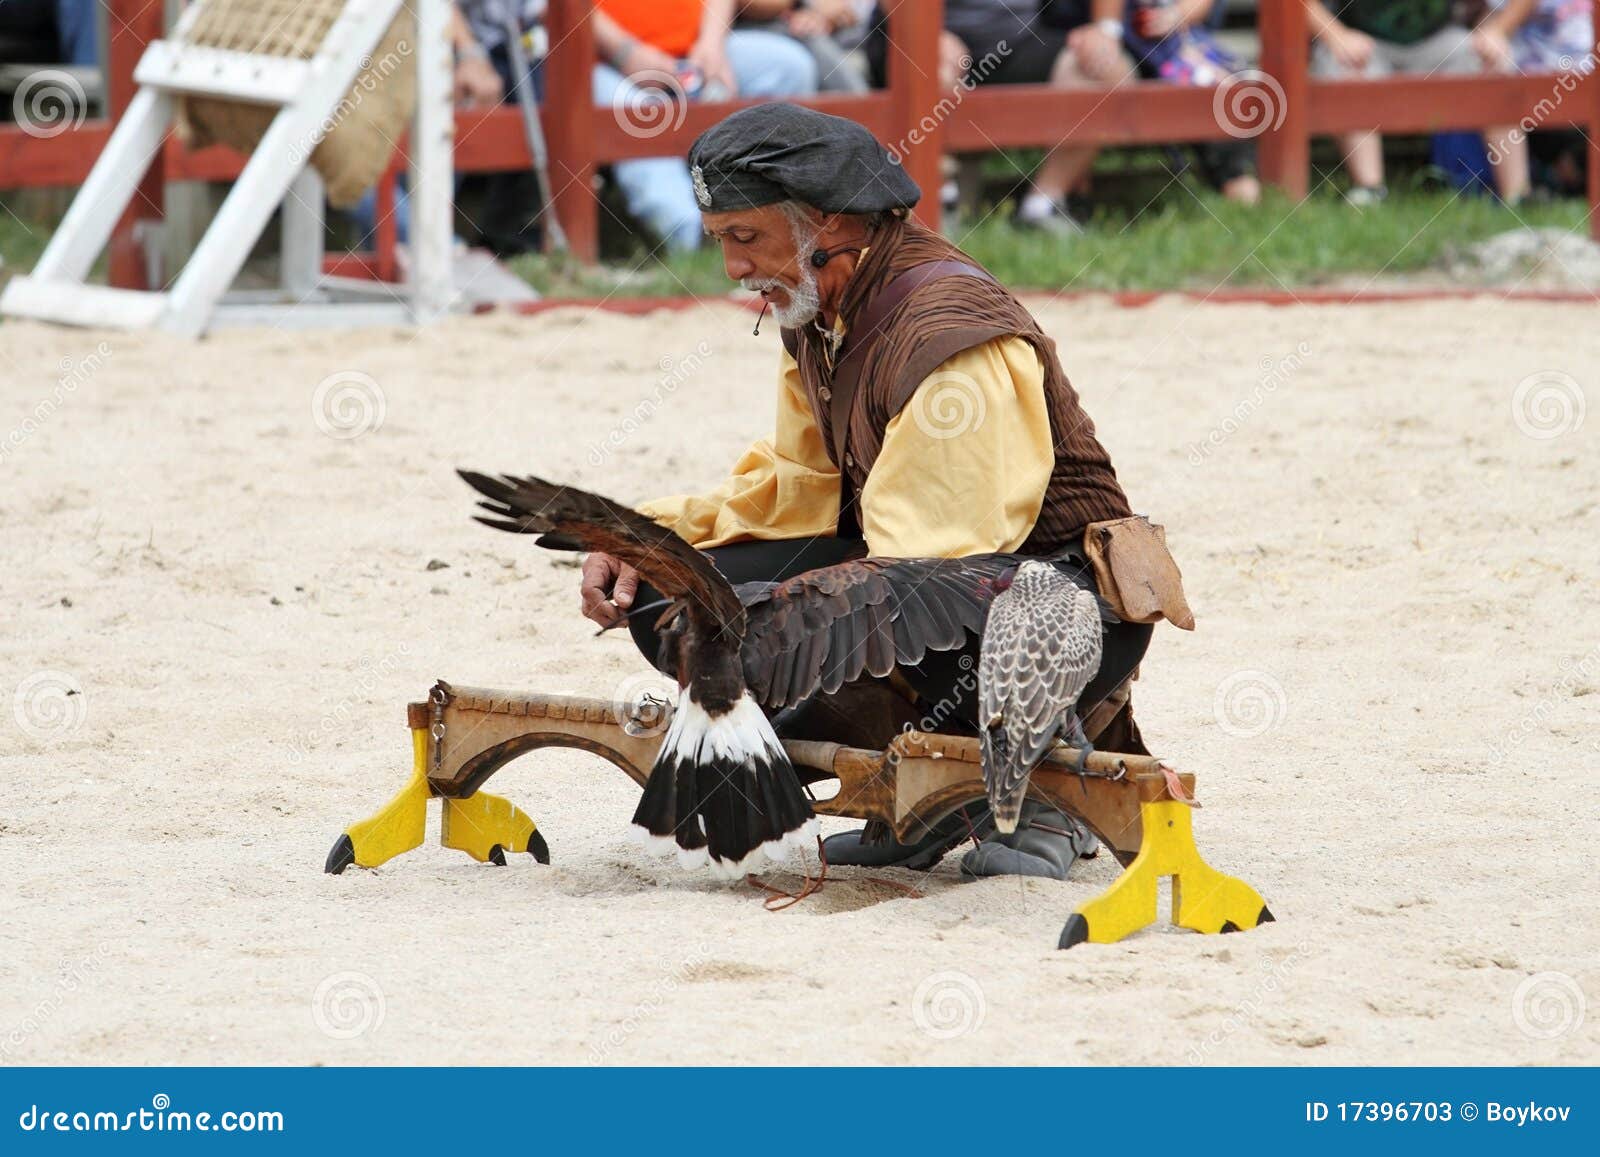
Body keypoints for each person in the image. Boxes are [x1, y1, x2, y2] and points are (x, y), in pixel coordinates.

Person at [578, 104, 1188, 880]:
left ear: (828, 222)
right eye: (720, 239)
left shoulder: (951, 336)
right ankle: (912, 791)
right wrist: (650, 542)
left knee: (791, 627)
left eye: (745, 237)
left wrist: (777, 635)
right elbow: (798, 488)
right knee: (678, 593)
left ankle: (1039, 792)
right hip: (926, 580)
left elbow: (933, 560)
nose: (732, 268)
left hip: (1047, 611)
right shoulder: (819, 302)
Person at [592, 0, 819, 251]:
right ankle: (691, 241)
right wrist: (626, 53)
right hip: (604, 59)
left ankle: (773, 218)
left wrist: (711, 44)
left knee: (791, 68)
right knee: (638, 115)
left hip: (696, 47)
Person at [939, 0, 1136, 234]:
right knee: (924, 62)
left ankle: (1043, 206)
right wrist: (926, 35)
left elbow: (1104, 35)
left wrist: (1105, 30)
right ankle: (938, 202)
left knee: (1109, 67)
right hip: (937, 41)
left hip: (1022, 41)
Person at [1307, 0, 1528, 204]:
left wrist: (1496, 30)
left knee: (1494, 61)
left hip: (1439, 41)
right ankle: (1369, 191)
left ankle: (1517, 196)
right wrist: (1335, 35)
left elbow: (1496, 7)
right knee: (1344, 66)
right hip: (1360, 41)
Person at [1115, 0, 1262, 205]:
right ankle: (1235, 177)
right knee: (1207, 88)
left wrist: (1177, 14)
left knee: (1220, 87)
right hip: (1138, 52)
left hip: (1185, 51)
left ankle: (1237, 176)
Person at [735, 0, 874, 92]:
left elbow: (846, 12)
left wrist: (824, 15)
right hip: (750, 29)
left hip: (839, 33)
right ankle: (868, 121)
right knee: (810, 40)